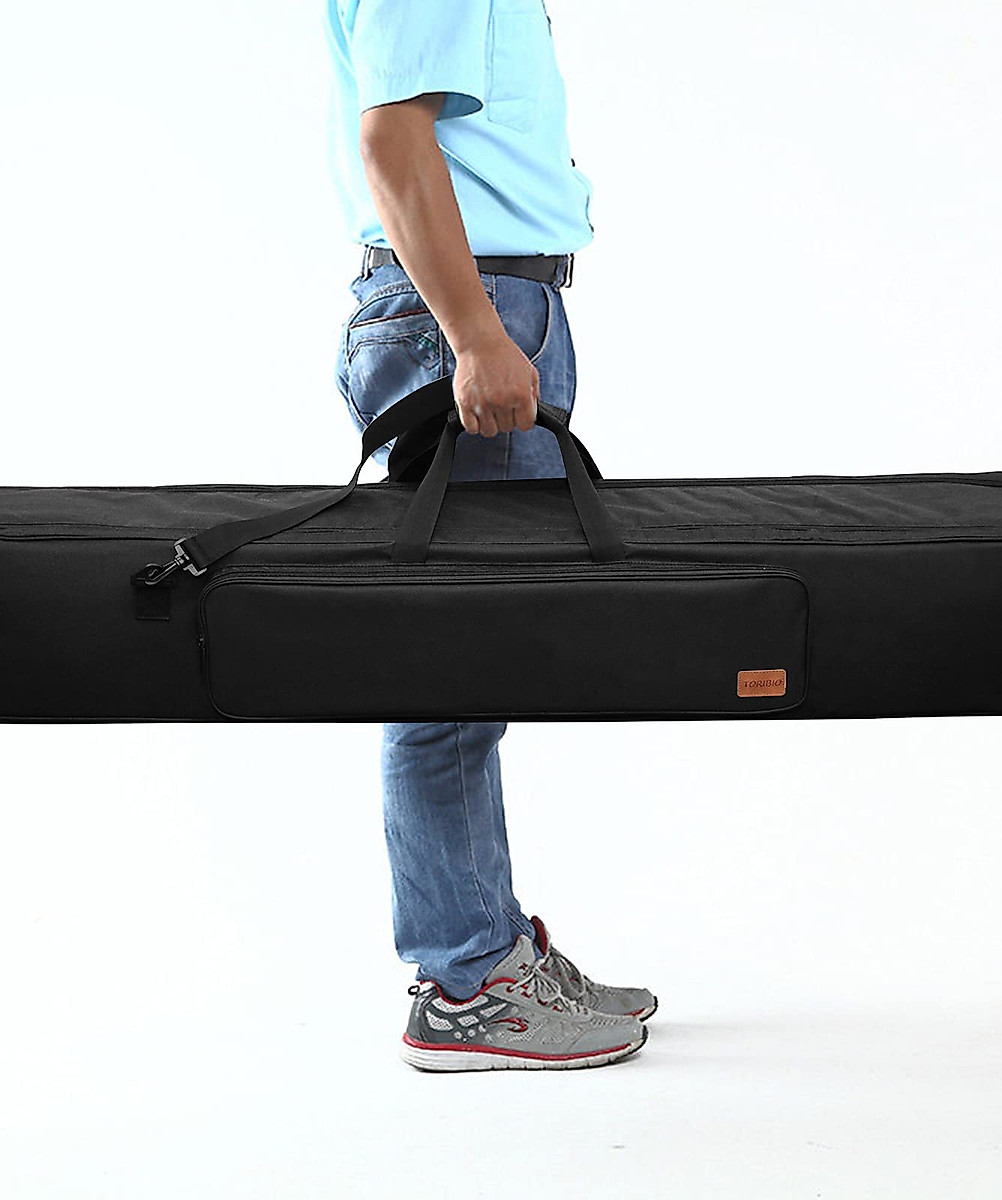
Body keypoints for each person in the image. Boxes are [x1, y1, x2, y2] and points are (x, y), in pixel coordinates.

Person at [325, 0, 656, 1071]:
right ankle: (470, 983)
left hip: (492, 299)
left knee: (472, 654)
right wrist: (474, 334)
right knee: (452, 663)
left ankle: (490, 947)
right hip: (468, 308)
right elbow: (392, 136)